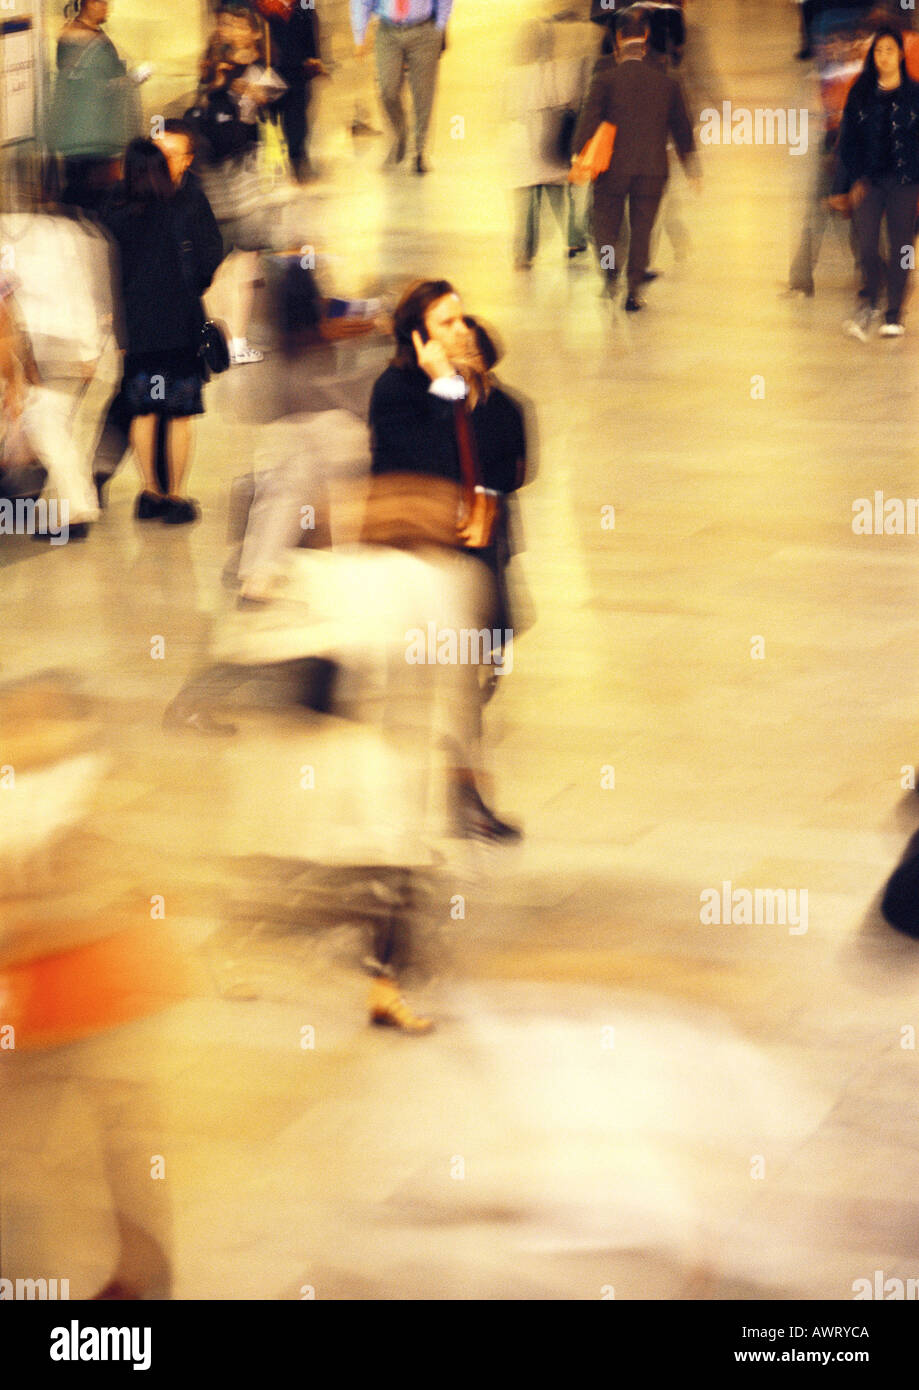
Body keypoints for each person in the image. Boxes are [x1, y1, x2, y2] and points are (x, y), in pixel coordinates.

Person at [366, 278, 522, 842]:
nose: (463, 330)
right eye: (447, 323)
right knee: (412, 698)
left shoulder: (480, 389)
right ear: (418, 335)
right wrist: (443, 390)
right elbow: (427, 465)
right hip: (414, 565)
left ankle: (462, 798)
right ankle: (411, 807)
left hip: (472, 561)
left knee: (462, 693)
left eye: (463, 318)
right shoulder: (396, 389)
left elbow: (506, 463)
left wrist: (469, 387)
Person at [100, 140, 223, 523]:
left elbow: (108, 273)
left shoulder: (115, 216)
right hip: (180, 328)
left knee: (145, 411)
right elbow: (207, 260)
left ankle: (149, 491)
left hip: (138, 332)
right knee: (178, 413)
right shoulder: (182, 207)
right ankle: (176, 496)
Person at [572, 5, 698, 310]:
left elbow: (587, 124)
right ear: (645, 37)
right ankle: (634, 292)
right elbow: (682, 127)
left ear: (617, 39)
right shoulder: (666, 82)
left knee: (605, 227)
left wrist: (578, 155)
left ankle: (610, 271)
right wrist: (692, 166)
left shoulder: (605, 80)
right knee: (642, 231)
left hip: (612, 170)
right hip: (652, 170)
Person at [189, 4, 275, 365]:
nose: (231, 29)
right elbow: (211, 117)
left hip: (242, 177)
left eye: (239, 24)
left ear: (253, 31)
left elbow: (265, 104)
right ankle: (217, 338)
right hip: (223, 180)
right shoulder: (217, 64)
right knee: (223, 262)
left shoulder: (256, 69)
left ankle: (232, 340)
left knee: (241, 260)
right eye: (226, 23)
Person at [833, 24, 919, 339]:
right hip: (868, 180)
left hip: (905, 181)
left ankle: (894, 311)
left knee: (903, 247)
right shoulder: (860, 93)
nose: (883, 56)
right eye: (878, 51)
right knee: (866, 244)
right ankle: (871, 290)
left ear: (900, 55)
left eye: (889, 50)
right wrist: (847, 184)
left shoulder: (914, 94)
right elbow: (849, 140)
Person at [49, 0, 145, 212]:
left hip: (91, 133)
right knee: (90, 194)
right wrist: (130, 80)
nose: (107, 9)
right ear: (89, 4)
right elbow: (92, 84)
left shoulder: (85, 36)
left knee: (87, 192)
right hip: (91, 134)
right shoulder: (77, 39)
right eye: (102, 3)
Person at [350, 1, 453, 174]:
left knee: (423, 94)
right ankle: (401, 134)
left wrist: (440, 26)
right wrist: (360, 36)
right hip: (387, 31)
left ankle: (419, 151)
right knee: (387, 89)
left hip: (423, 30)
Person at [256, 0, 327, 182]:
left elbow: (310, 30)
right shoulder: (261, 6)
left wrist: (314, 58)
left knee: (297, 116)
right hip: (269, 72)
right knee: (270, 119)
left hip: (298, 70)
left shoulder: (304, 3)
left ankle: (297, 158)